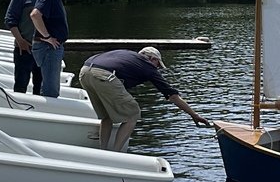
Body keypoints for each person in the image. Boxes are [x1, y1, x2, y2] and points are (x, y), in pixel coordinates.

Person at [77, 46, 210, 151]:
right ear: (152, 59)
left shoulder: (127, 55)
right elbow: (173, 96)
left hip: (85, 71)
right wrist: (194, 115)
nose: (157, 68)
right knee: (133, 114)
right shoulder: (147, 66)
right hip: (104, 76)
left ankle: (103, 150)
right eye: (158, 65)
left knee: (107, 116)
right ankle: (115, 154)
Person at [28, 0, 74, 98]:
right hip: (48, 47)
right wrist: (47, 37)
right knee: (50, 89)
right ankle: (47, 114)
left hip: (50, 47)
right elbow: (34, 15)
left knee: (48, 86)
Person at [2, 0, 48, 93]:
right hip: (24, 48)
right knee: (21, 84)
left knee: (40, 87)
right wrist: (20, 41)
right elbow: (10, 20)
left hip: (42, 49)